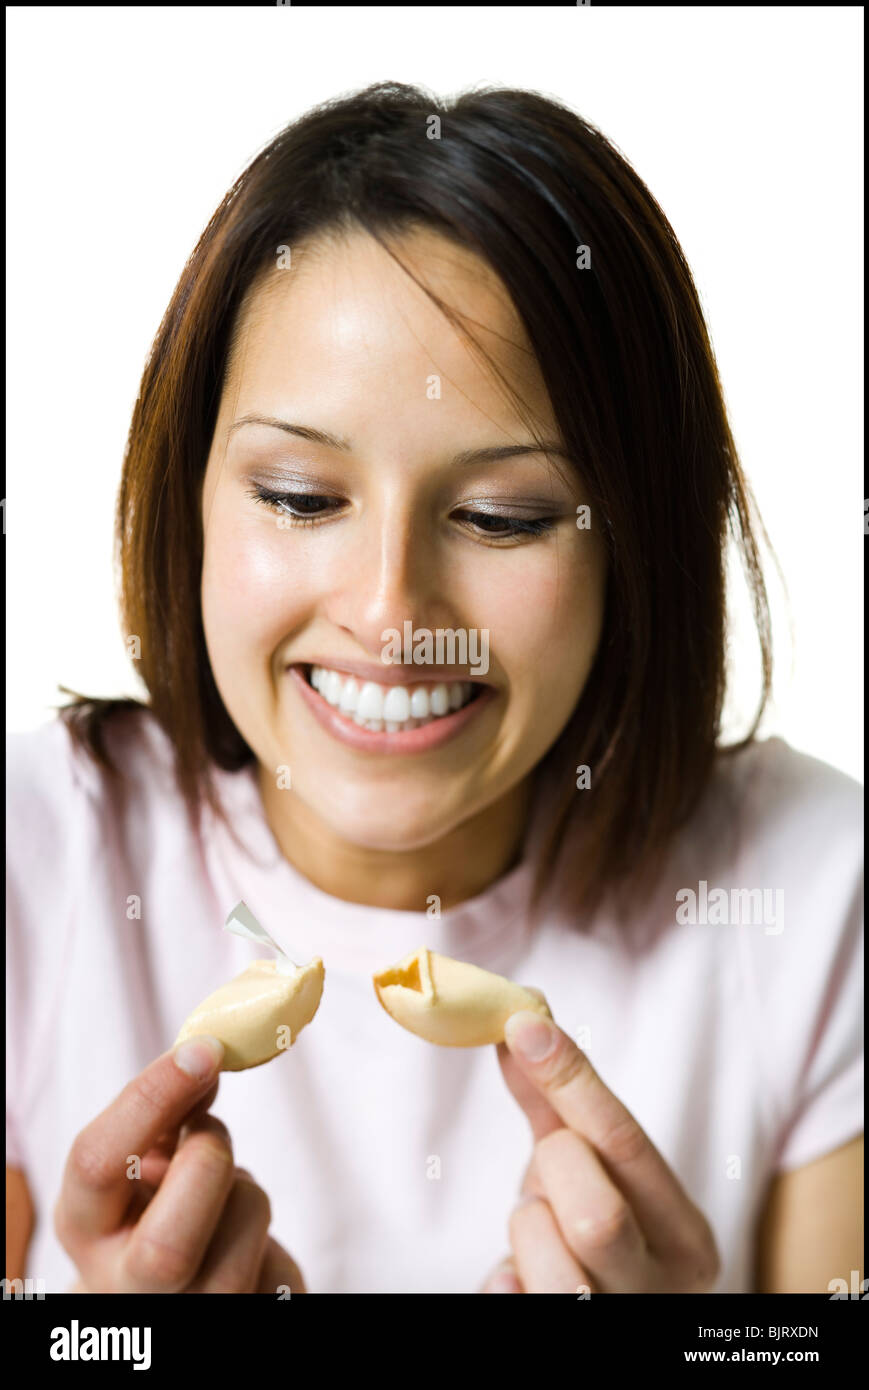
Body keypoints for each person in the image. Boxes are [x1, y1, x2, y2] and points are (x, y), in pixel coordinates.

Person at [6, 82, 862, 1294]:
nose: (391, 613)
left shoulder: (811, 890)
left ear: (637, 541)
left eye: (499, 516)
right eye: (300, 498)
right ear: (187, 493)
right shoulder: (35, 863)